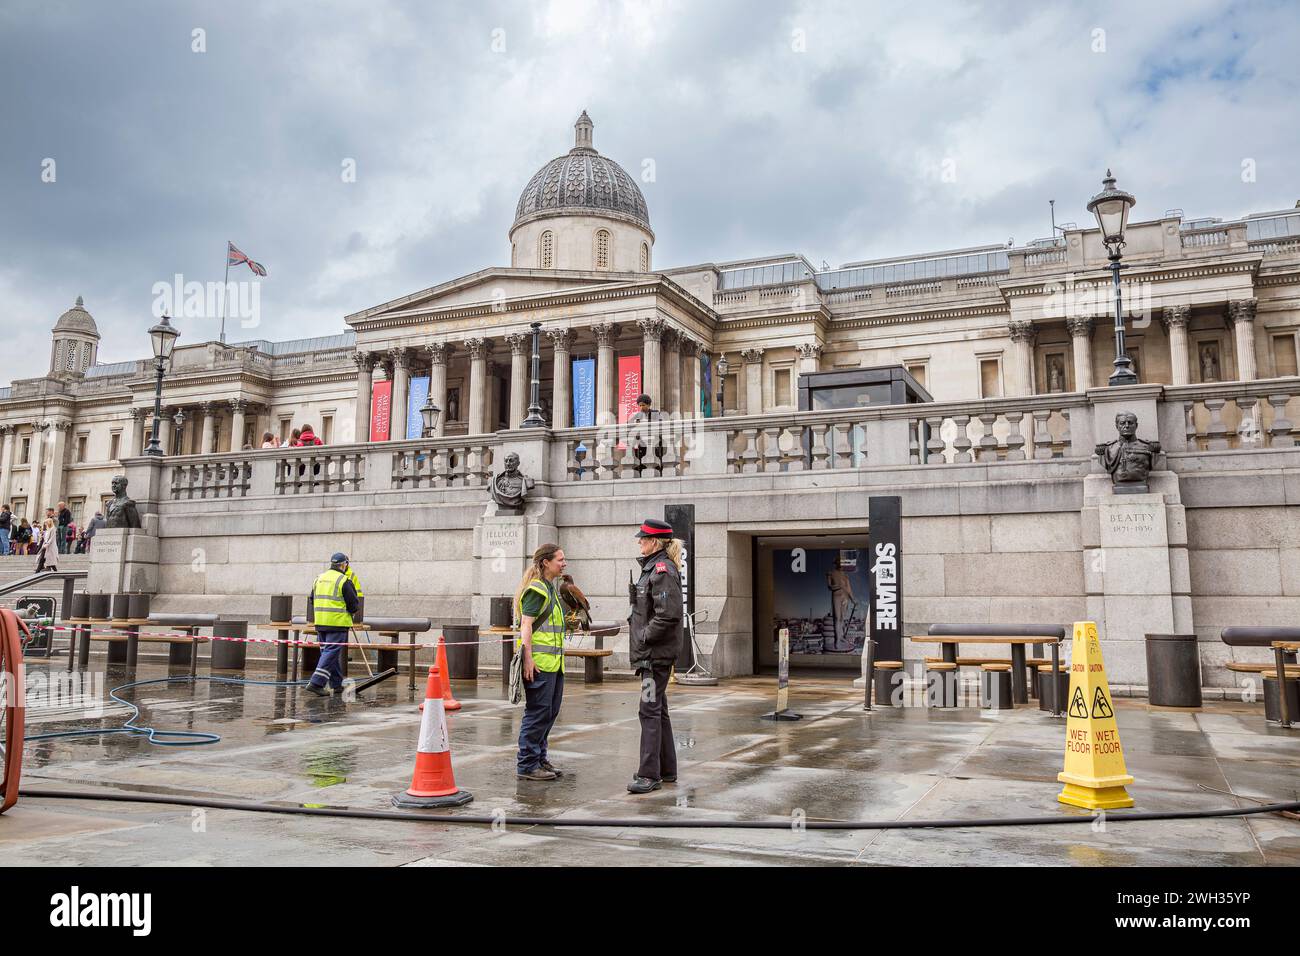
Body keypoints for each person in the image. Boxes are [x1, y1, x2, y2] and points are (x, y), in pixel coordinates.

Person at [626, 518, 683, 794]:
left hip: (654, 657)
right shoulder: (655, 568)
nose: (640, 542)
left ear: (654, 543)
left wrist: (643, 636)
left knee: (648, 711)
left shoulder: (661, 570)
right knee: (658, 711)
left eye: (643, 539)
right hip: (653, 654)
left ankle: (649, 775)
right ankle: (667, 770)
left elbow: (667, 615)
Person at [514, 543, 569, 781]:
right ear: (546, 562)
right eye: (560, 559)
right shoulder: (537, 589)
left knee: (549, 713)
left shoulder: (550, 589)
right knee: (537, 713)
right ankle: (527, 765)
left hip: (554, 664)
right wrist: (528, 658)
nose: (564, 563)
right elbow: (526, 625)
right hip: (539, 664)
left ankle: (539, 759)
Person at [303, 553, 359, 697]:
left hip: (321, 622)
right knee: (331, 651)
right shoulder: (343, 580)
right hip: (337, 623)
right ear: (344, 564)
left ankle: (336, 684)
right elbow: (353, 605)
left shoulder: (319, 578)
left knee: (328, 652)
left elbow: (312, 599)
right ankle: (316, 683)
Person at [826, 557, 856, 652]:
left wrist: (853, 599)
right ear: (836, 563)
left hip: (845, 597)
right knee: (837, 618)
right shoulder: (831, 573)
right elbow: (830, 586)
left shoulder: (845, 575)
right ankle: (837, 640)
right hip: (837, 596)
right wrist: (839, 586)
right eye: (839, 562)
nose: (841, 565)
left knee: (842, 618)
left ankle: (841, 636)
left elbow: (849, 589)